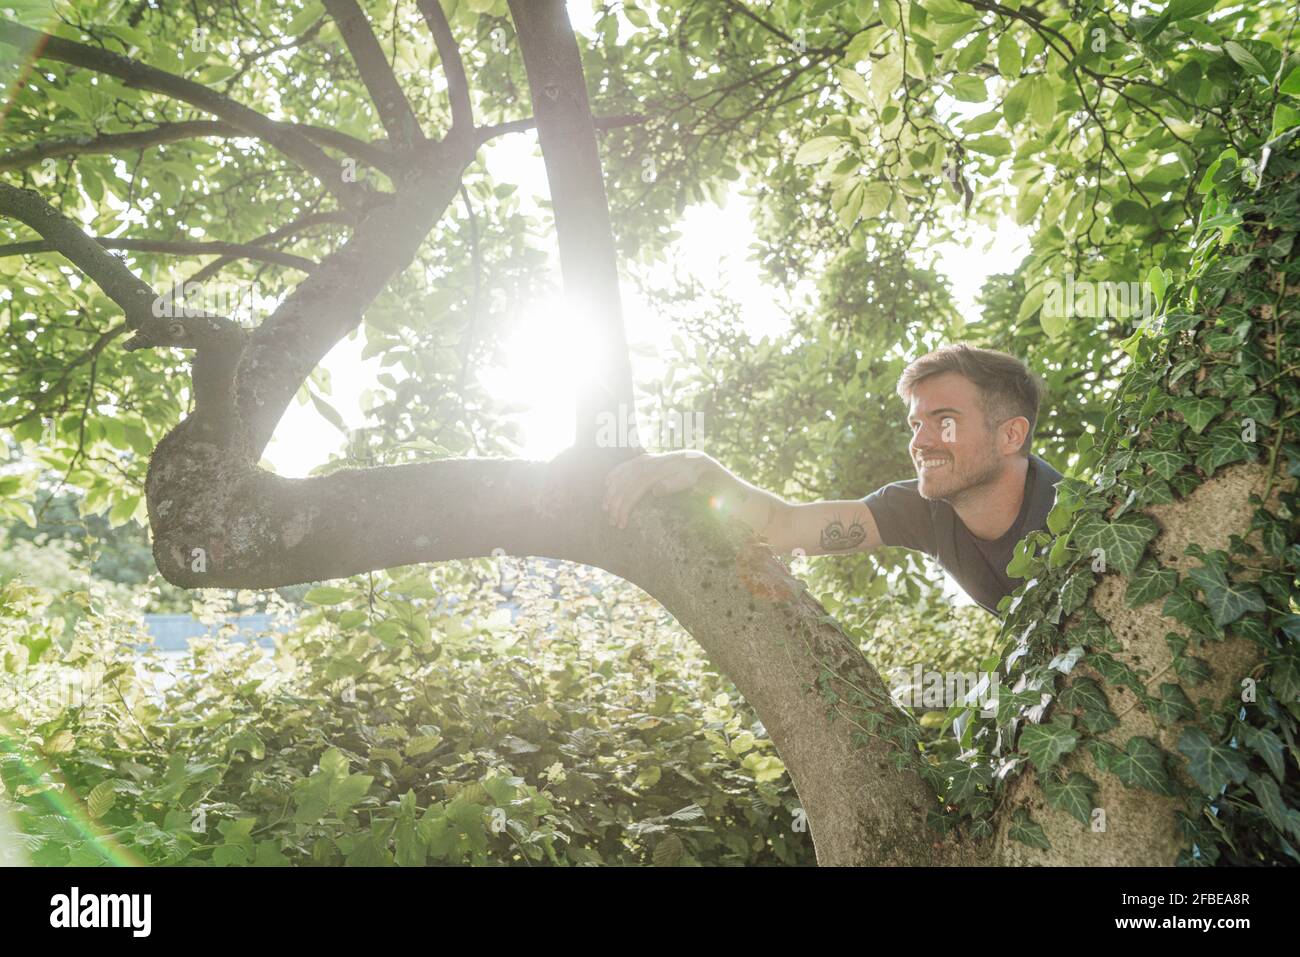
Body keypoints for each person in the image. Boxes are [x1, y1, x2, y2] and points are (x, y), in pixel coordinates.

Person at [602, 343, 1061, 616]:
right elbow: (781, 528)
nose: (920, 442)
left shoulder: (1085, 521)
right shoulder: (921, 510)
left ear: (1011, 435)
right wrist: (699, 467)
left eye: (943, 421)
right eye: (915, 424)